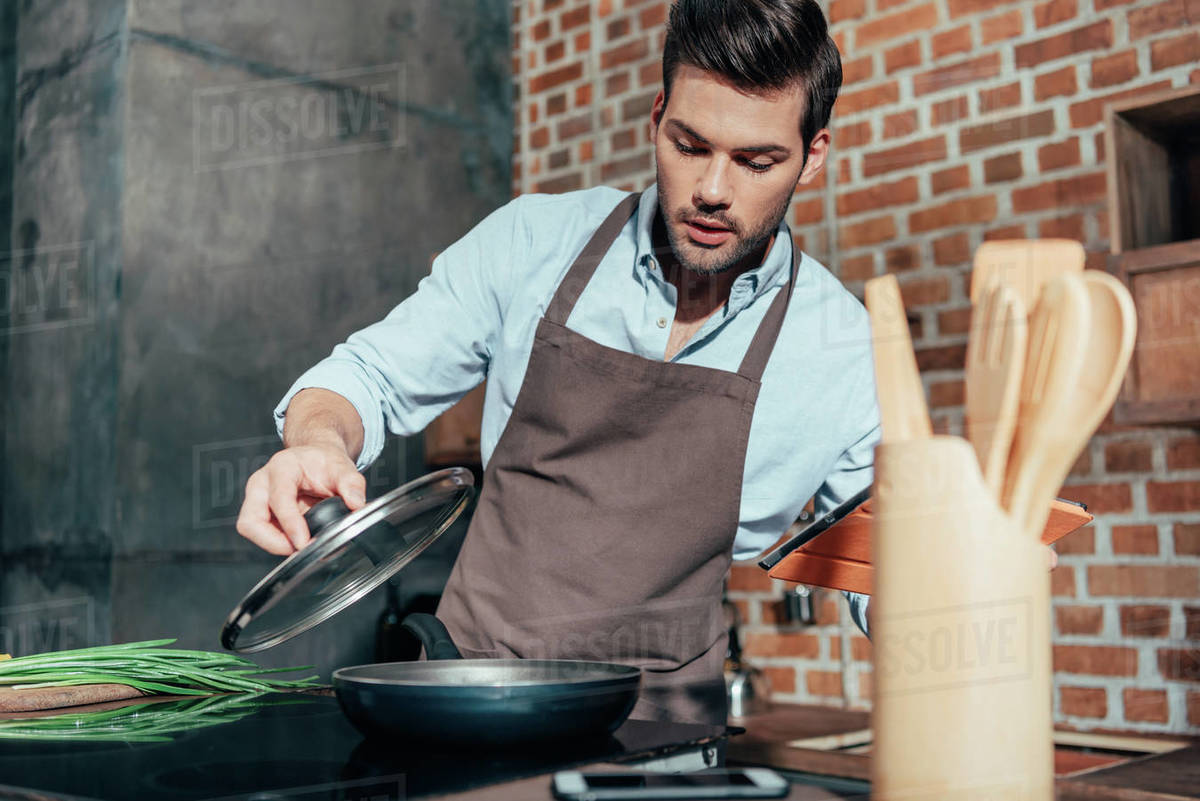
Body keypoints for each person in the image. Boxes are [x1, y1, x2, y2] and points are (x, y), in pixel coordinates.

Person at [238, 0, 877, 725]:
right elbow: (368, 377)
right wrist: (319, 442)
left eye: (756, 161)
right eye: (690, 144)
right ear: (656, 116)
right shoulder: (534, 241)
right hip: (469, 706)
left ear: (813, 156)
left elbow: (877, 575)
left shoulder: (842, 347)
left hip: (665, 741)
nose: (712, 190)